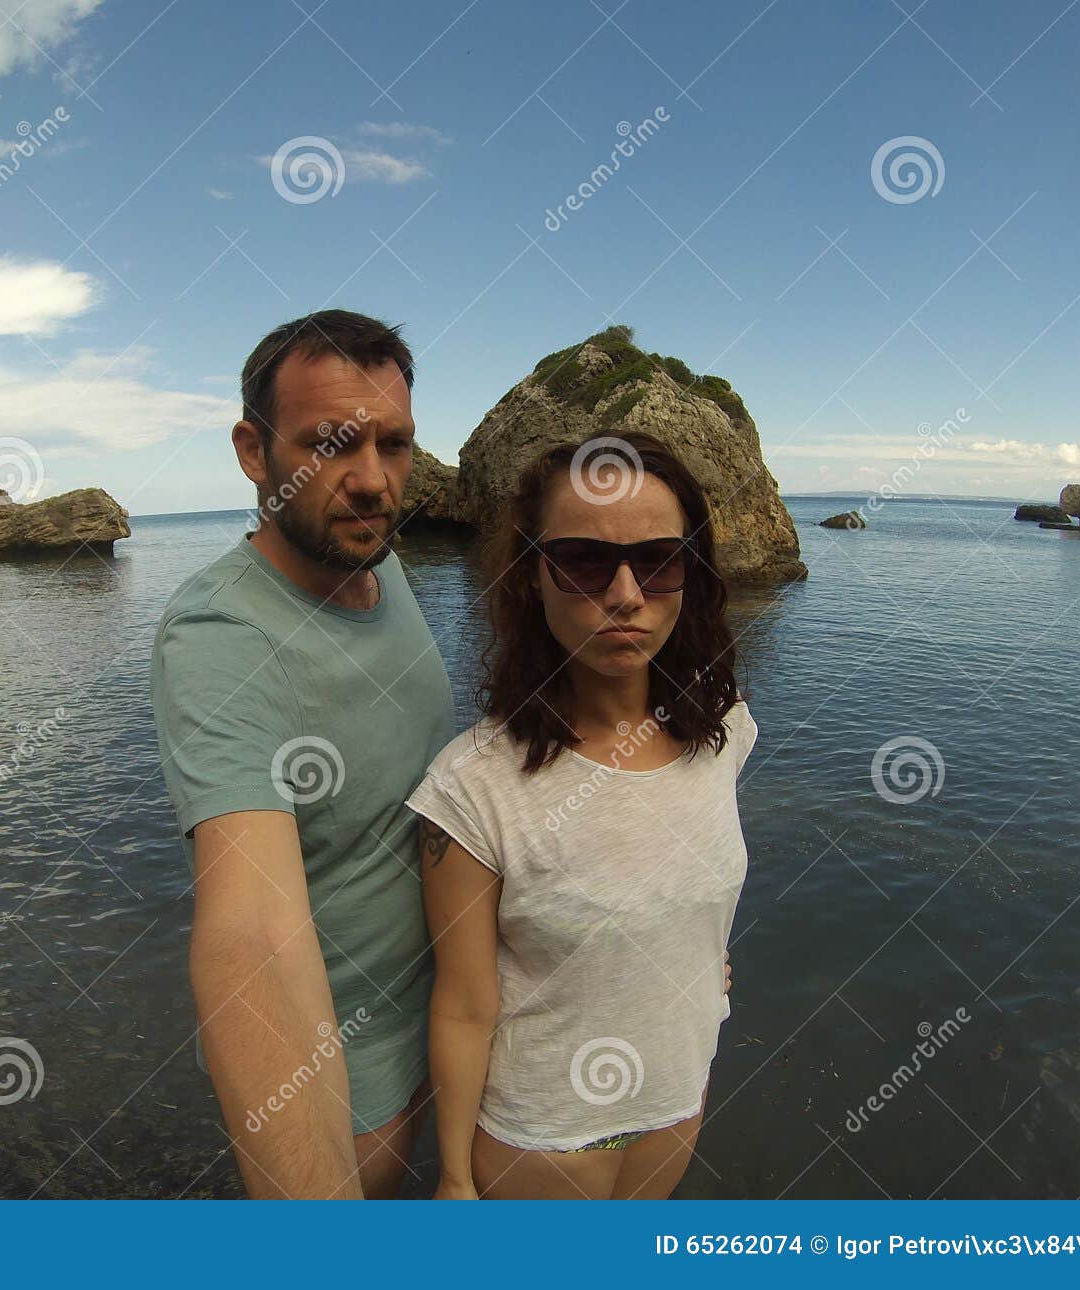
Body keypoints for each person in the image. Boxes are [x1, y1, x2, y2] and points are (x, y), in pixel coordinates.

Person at [150, 310, 455, 1199]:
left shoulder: (378, 561)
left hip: (448, 1012)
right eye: (331, 444)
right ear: (255, 452)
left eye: (394, 446)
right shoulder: (220, 635)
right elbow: (249, 929)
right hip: (345, 1072)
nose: (371, 481)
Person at [406, 432, 756, 1200]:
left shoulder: (727, 730)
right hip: (543, 1144)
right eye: (585, 562)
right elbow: (465, 1005)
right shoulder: (471, 788)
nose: (625, 594)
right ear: (532, 574)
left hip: (676, 1107)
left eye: (659, 560)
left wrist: (703, 962)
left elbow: (680, 872)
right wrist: (455, 1180)